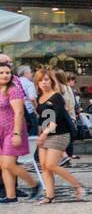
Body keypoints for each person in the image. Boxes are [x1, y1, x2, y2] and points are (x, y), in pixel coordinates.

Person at [32, 68, 84, 203]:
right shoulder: (40, 98)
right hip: (44, 134)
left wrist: (44, 134)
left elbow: (57, 118)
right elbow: (41, 119)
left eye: (46, 79)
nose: (43, 83)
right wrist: (40, 134)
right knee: (44, 166)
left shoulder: (57, 97)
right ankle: (49, 196)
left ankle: (77, 186)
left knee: (51, 165)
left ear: (51, 81)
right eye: (40, 80)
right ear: (37, 83)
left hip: (59, 134)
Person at [0, 61, 39, 202]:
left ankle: (34, 185)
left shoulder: (13, 89)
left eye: (7, 72)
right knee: (3, 165)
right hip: (0, 131)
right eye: (1, 73)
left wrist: (17, 134)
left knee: (9, 164)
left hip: (12, 130)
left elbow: (19, 112)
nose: (5, 75)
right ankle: (11, 196)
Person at [15, 64, 38, 136]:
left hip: (18, 111)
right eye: (31, 72)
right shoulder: (29, 84)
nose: (32, 74)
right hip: (29, 111)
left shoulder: (15, 83)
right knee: (33, 129)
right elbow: (32, 98)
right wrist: (36, 109)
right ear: (26, 73)